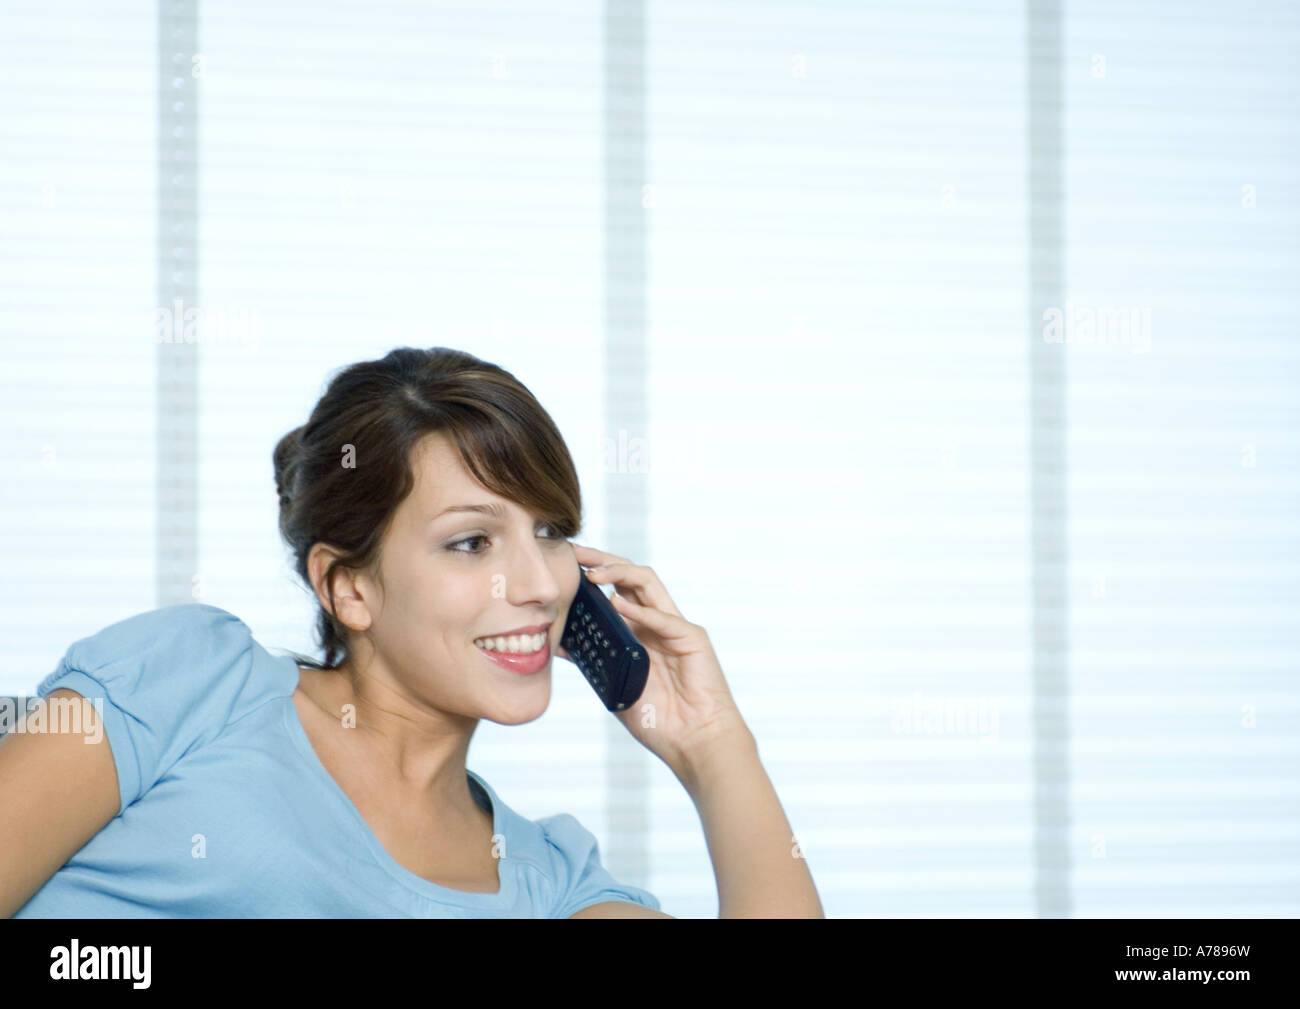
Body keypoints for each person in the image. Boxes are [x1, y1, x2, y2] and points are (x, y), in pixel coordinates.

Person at [1, 346, 824, 918]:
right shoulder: (194, 678)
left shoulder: (545, 879)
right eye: (472, 541)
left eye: (550, 531)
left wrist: (715, 744)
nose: (540, 584)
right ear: (349, 586)